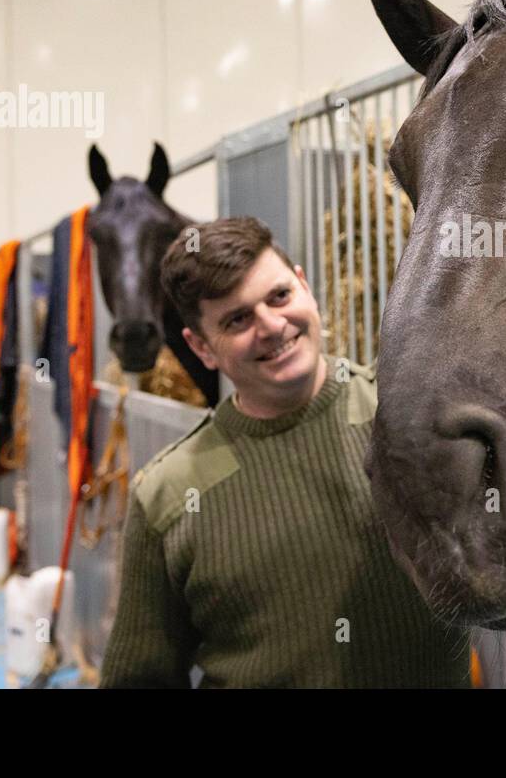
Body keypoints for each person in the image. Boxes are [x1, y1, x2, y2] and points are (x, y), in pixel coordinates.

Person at [99, 216, 471, 687]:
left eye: (279, 297)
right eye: (237, 319)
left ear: (304, 285)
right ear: (201, 348)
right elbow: (136, 679)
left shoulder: (408, 416)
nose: (272, 326)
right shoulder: (169, 495)